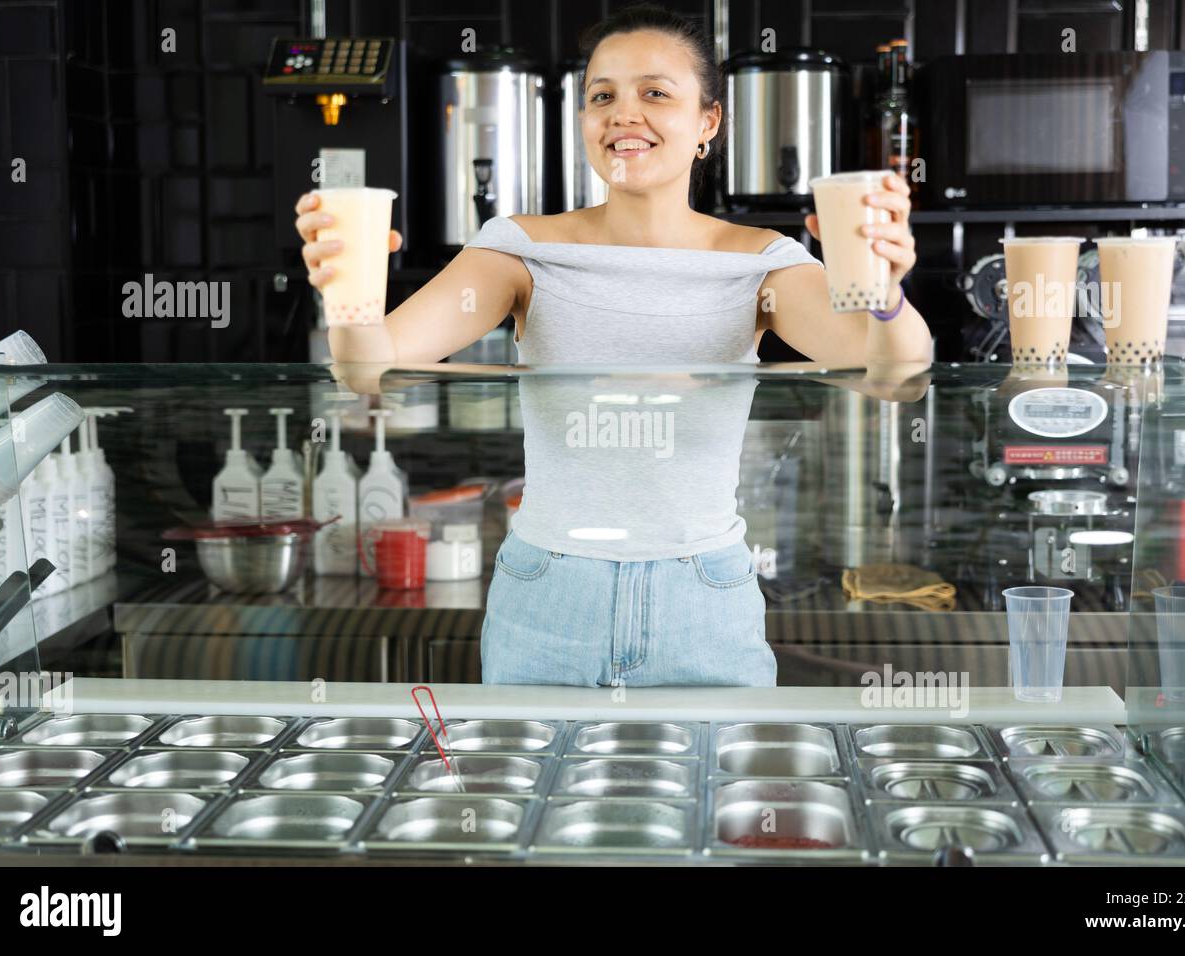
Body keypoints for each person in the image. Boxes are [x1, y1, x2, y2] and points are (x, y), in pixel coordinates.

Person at [294, 4, 932, 688]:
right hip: (549, 594)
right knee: (538, 794)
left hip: (703, 597)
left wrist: (885, 291)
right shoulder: (520, 248)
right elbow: (368, 367)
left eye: (655, 93)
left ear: (707, 123)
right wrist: (346, 291)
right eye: (602, 96)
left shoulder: (762, 264)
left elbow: (893, 373)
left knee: (709, 795)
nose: (624, 114)